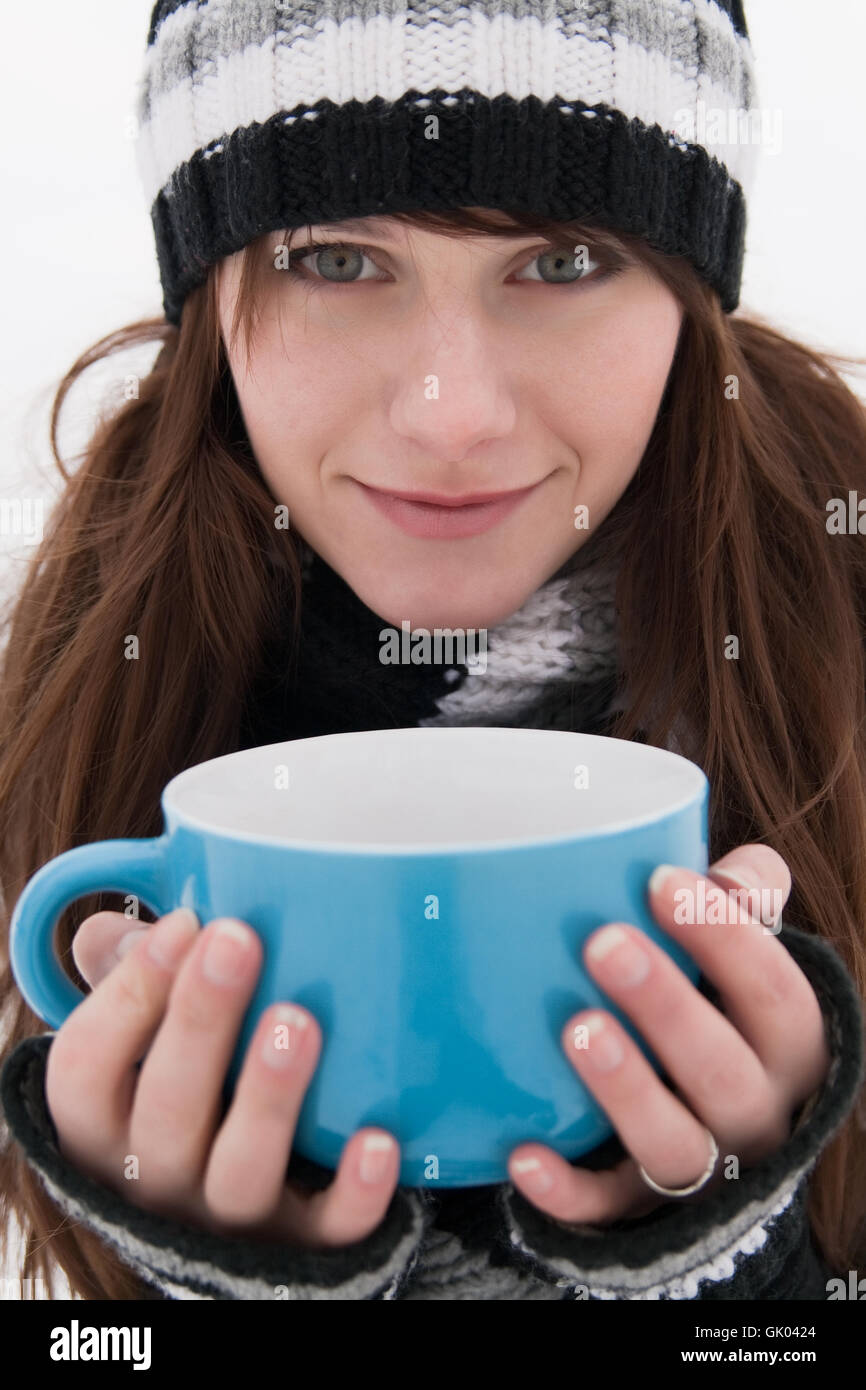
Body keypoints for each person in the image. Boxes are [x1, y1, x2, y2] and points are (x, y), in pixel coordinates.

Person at [0, 0, 864, 1301]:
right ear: (208, 300)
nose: (449, 415)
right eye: (337, 260)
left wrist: (744, 1278)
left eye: (564, 259)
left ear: (690, 299)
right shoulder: (85, 684)